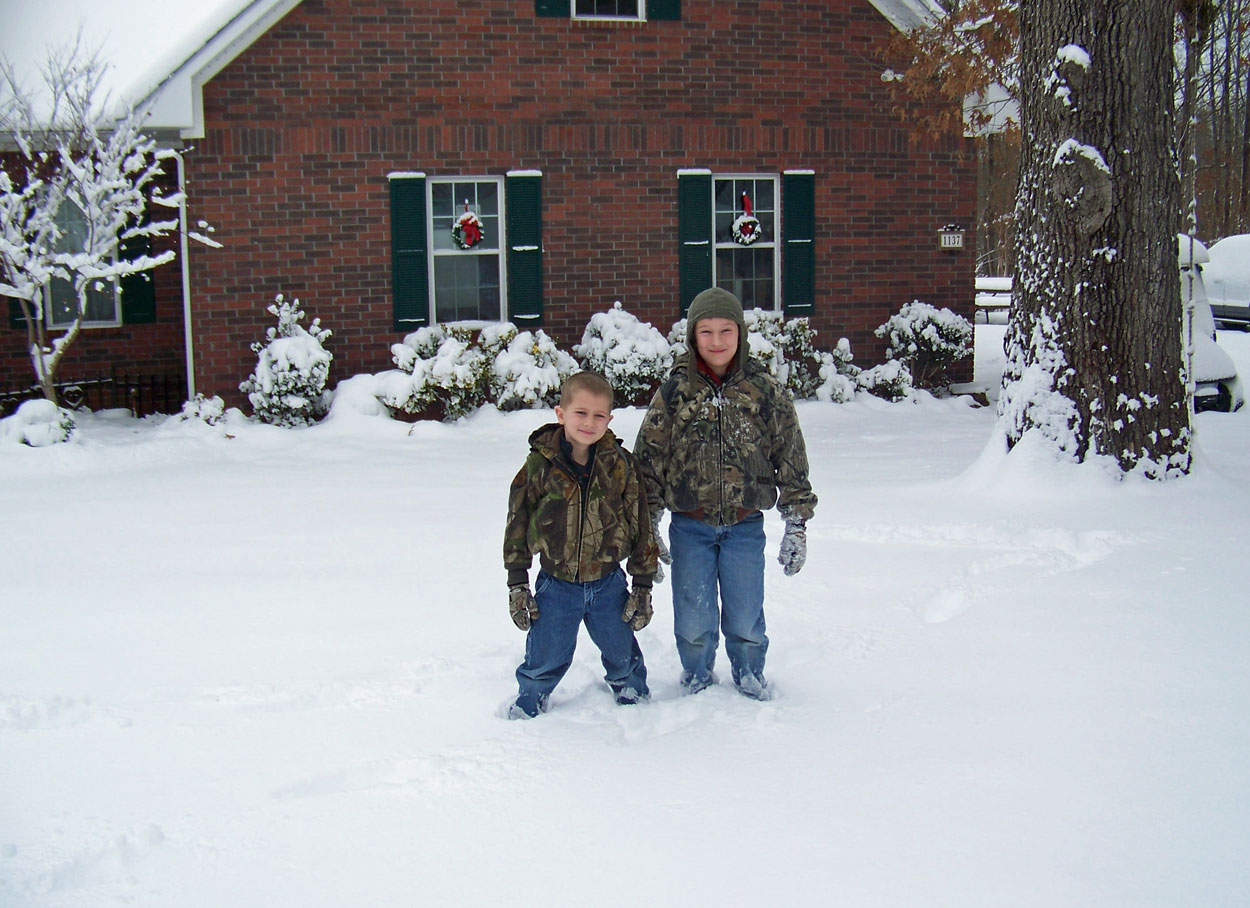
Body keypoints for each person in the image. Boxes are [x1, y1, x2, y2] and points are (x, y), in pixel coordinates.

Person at [634, 287, 816, 701]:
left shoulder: (765, 389)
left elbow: (791, 454)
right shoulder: (675, 391)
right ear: (693, 337)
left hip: (744, 525)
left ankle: (749, 673)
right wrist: (648, 525)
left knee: (747, 616)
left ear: (741, 334)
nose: (717, 341)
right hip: (690, 526)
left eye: (726, 330)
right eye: (707, 331)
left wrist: (797, 523)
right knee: (694, 618)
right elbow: (649, 460)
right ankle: (696, 674)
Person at [503, 371, 659, 718]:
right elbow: (517, 523)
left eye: (599, 415)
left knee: (620, 646)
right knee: (547, 650)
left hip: (608, 582)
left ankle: (630, 687)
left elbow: (640, 524)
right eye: (581, 413)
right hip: (556, 583)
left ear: (610, 419)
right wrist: (518, 584)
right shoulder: (539, 467)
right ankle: (533, 693)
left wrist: (643, 585)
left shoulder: (620, 466)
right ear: (561, 414)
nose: (589, 423)